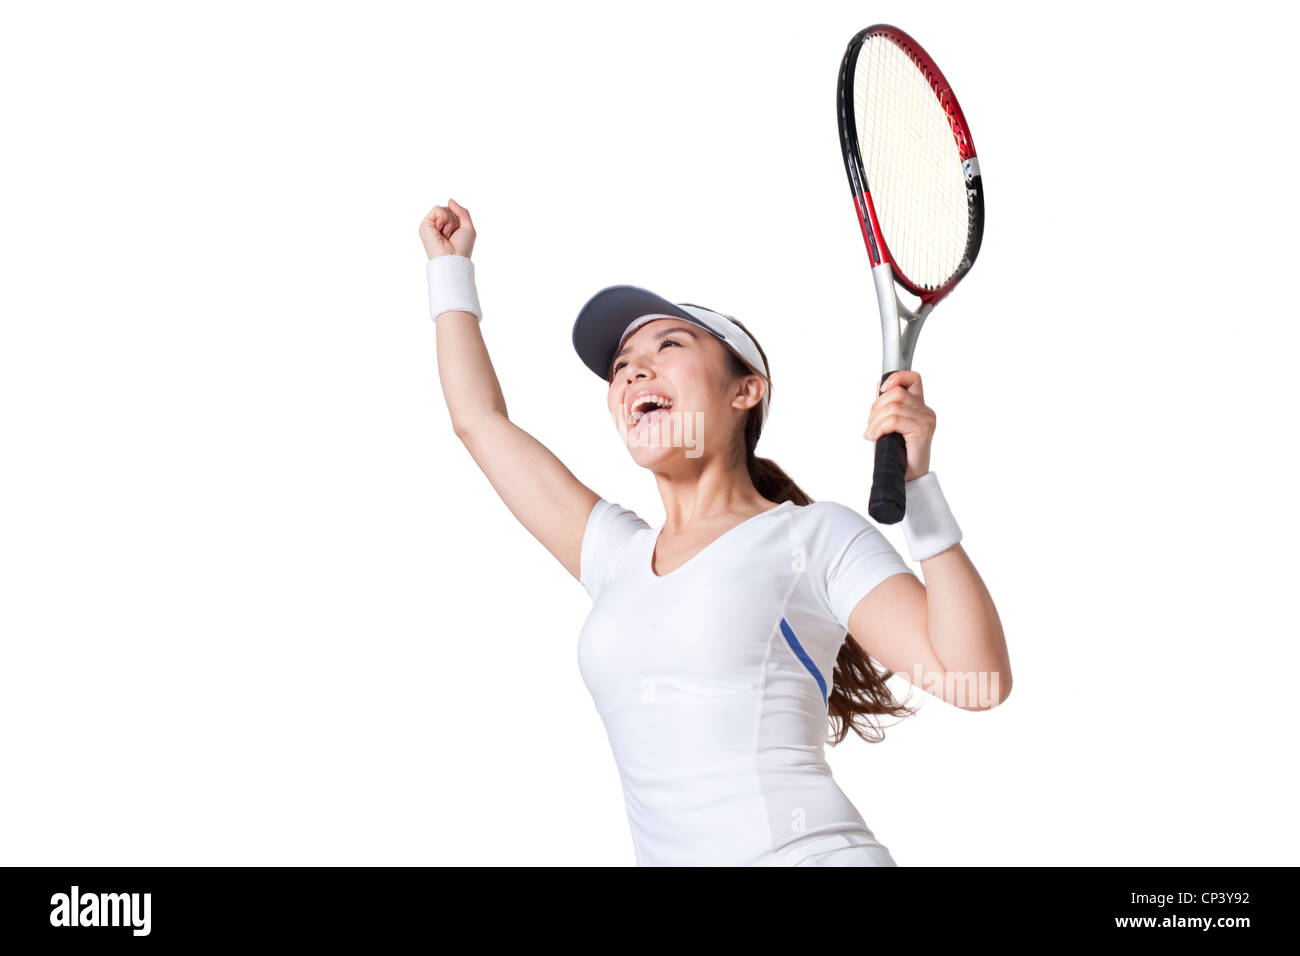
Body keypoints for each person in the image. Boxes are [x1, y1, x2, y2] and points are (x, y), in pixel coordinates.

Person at [419, 198, 1012, 866]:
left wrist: (918, 489)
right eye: (620, 366)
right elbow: (479, 421)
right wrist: (450, 270)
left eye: (668, 345)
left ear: (745, 392)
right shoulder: (615, 555)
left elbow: (977, 679)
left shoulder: (812, 538)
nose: (633, 370)